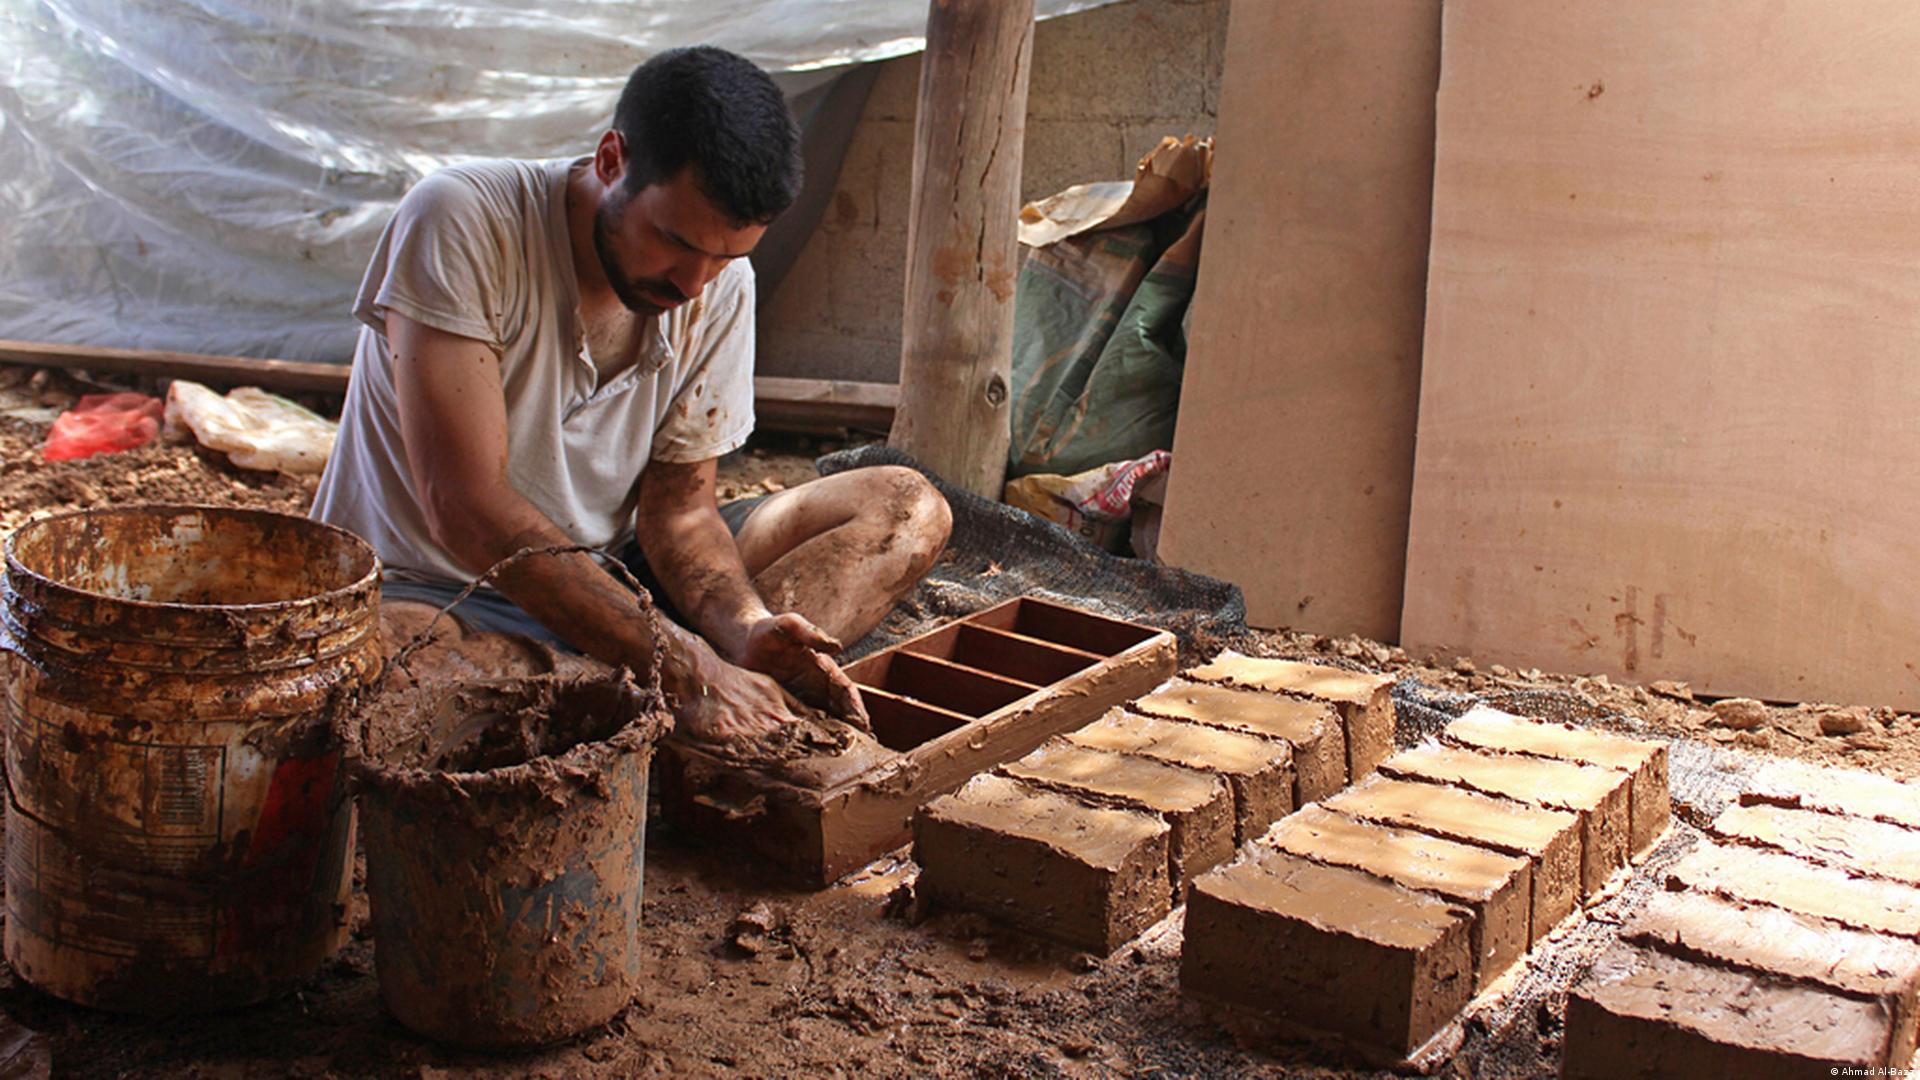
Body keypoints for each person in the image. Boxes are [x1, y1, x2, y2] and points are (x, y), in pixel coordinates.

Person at [311, 46, 952, 744]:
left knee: (906, 508)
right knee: (375, 670)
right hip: (436, 594)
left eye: (725, 257)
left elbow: (679, 513)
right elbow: (467, 511)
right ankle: (656, 701)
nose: (693, 284)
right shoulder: (464, 220)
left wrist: (742, 628)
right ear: (612, 159)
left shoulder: (718, 286)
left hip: (619, 578)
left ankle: (712, 697)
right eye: (674, 241)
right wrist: (683, 666)